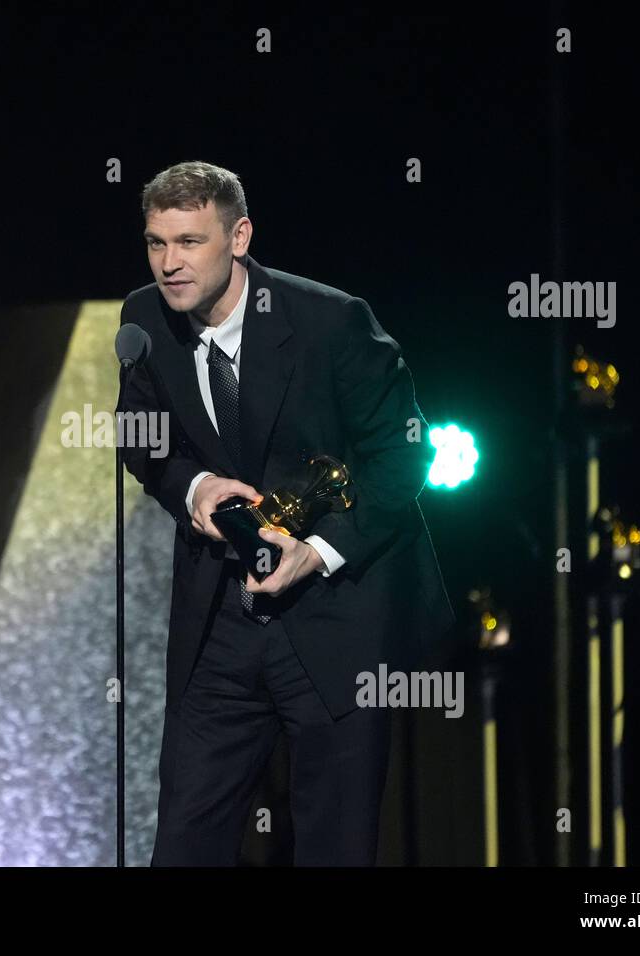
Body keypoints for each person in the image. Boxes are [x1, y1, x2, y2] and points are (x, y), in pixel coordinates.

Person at [119, 160, 454, 865]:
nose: (169, 264)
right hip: (221, 621)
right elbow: (140, 437)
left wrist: (319, 551)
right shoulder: (145, 318)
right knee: (184, 841)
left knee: (334, 846)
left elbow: (403, 457)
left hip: (335, 618)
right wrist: (194, 486)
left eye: (189, 242)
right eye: (156, 243)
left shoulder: (331, 321)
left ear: (239, 236)